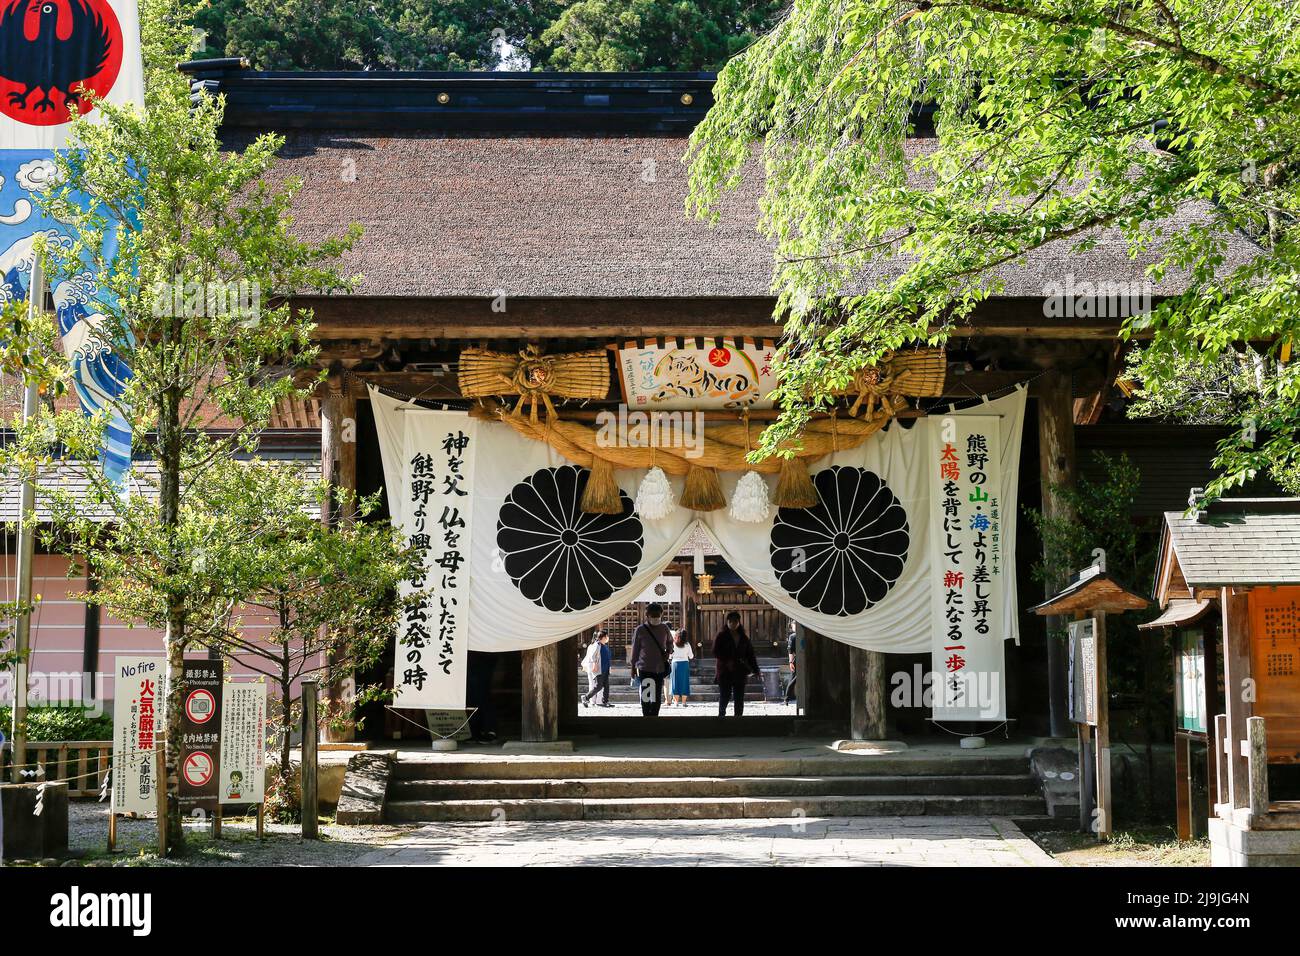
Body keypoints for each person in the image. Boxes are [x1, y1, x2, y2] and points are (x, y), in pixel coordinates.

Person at [712, 611, 760, 717]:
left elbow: (750, 655)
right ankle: (721, 717)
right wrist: (727, 660)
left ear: (739, 622)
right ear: (727, 622)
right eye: (730, 621)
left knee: (739, 697)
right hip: (725, 671)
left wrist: (756, 670)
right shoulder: (721, 636)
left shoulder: (743, 638)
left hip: (740, 671)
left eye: (735, 621)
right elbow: (716, 651)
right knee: (725, 696)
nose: (732, 624)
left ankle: (738, 719)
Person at [630, 602, 672, 717]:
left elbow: (670, 642)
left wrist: (668, 652)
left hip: (659, 668)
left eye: (657, 615)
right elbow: (635, 650)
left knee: (656, 696)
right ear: (647, 615)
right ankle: (646, 718)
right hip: (644, 668)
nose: (655, 618)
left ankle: (654, 718)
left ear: (661, 615)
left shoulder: (664, 628)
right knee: (646, 696)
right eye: (653, 615)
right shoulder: (640, 630)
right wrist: (633, 668)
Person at [582, 629, 612, 707]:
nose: (608, 638)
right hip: (599, 669)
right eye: (607, 636)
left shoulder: (605, 646)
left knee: (606, 686)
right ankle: (585, 697)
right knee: (598, 686)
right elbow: (593, 656)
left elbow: (607, 657)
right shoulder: (597, 645)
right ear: (604, 637)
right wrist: (595, 664)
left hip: (605, 669)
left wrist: (609, 667)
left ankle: (605, 701)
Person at [667, 629, 695, 706]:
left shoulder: (673, 644)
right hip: (685, 664)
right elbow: (691, 656)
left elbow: (670, 656)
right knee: (684, 682)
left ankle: (676, 702)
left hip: (675, 664)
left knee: (675, 682)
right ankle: (684, 702)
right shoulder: (687, 645)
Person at [784, 621, 798, 705]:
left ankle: (787, 697)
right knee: (794, 678)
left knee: (793, 679)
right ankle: (788, 697)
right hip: (799, 658)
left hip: (796, 659)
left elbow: (790, 651)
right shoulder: (793, 636)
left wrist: (790, 662)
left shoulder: (792, 636)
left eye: (793, 626)